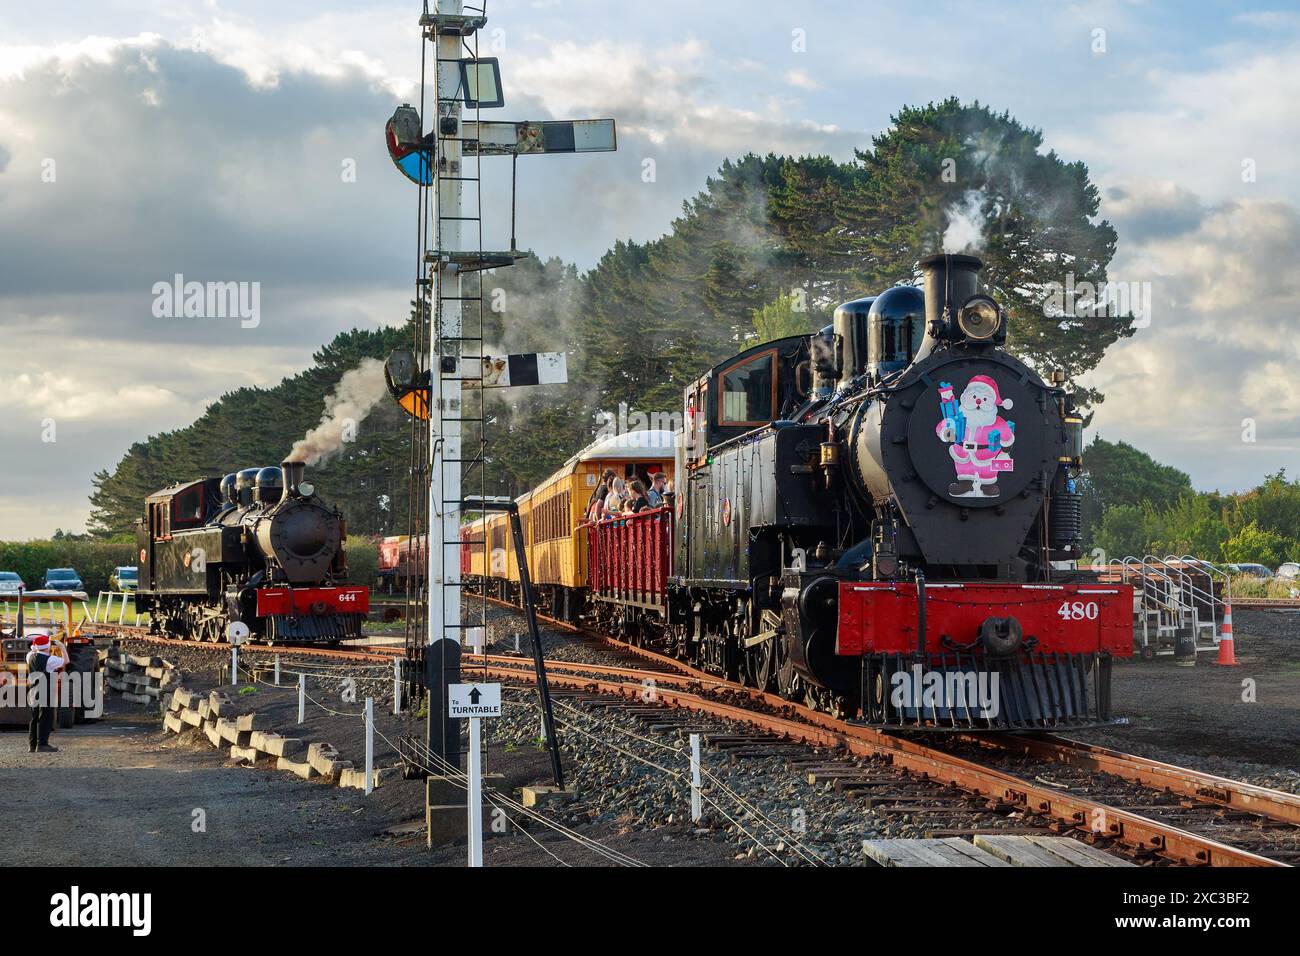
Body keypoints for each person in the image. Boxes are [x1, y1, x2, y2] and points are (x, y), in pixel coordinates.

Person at [25, 631, 66, 754]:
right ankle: (42, 744)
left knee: (34, 718)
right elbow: (66, 661)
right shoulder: (50, 659)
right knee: (46, 717)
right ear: (48, 647)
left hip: (33, 690)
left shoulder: (29, 656)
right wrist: (62, 647)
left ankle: (32, 745)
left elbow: (33, 650)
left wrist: (37, 646)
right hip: (45, 690)